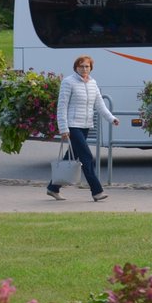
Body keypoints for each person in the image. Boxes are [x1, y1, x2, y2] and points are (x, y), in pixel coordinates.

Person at [46, 55, 119, 202]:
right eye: (81, 66)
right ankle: (97, 191)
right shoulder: (68, 82)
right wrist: (64, 128)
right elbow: (62, 107)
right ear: (76, 67)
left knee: (71, 157)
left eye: (87, 66)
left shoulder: (93, 83)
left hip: (85, 126)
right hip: (72, 126)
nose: (84, 69)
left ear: (91, 68)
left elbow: (99, 104)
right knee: (87, 158)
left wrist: (111, 118)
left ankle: (53, 188)